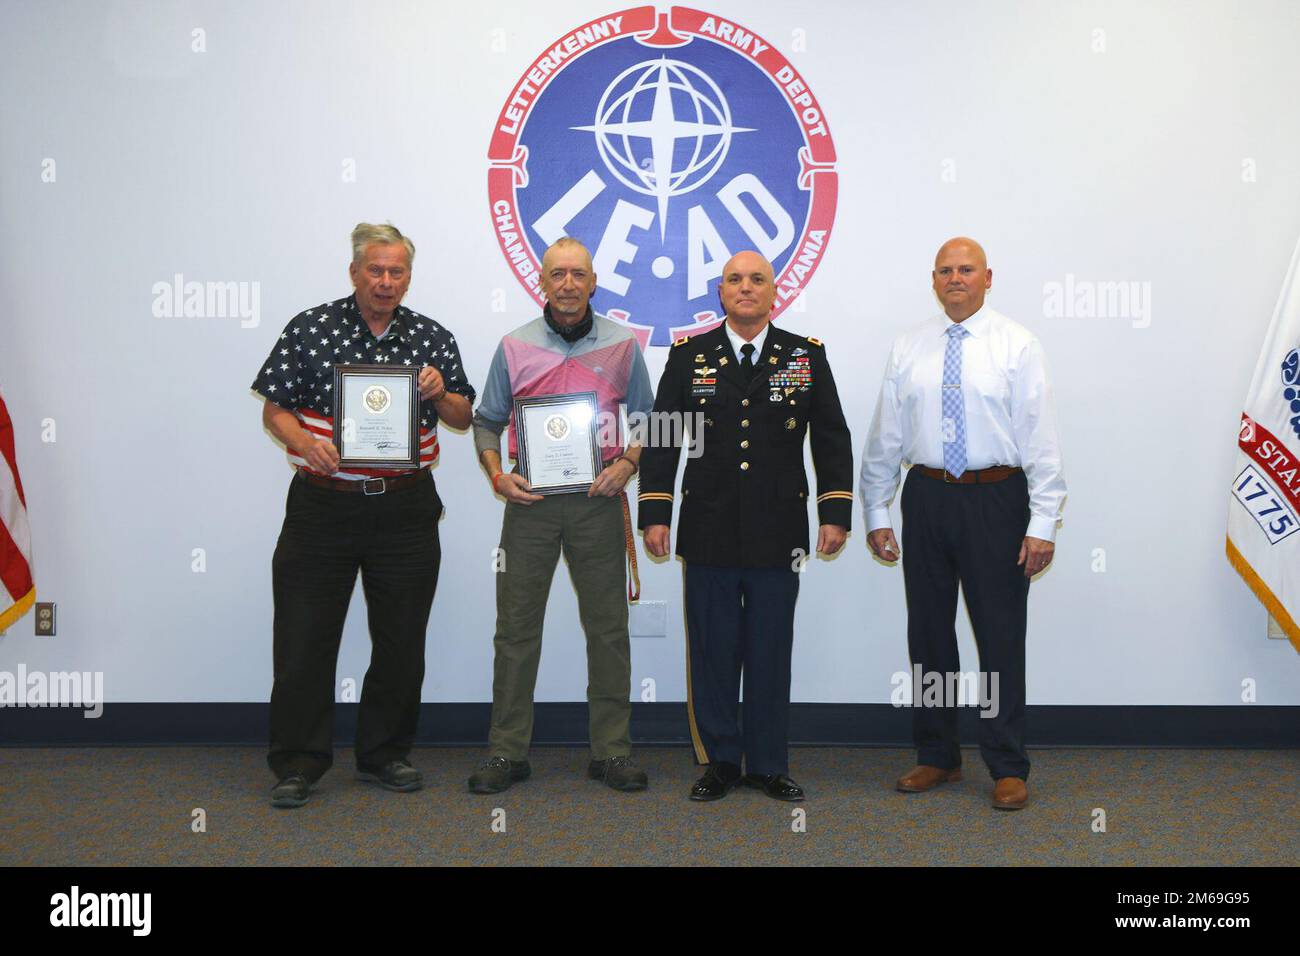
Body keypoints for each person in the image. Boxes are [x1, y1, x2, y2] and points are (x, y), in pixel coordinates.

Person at [252, 222, 474, 809]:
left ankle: (385, 754)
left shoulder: (431, 337)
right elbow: (275, 411)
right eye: (374, 269)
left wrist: (438, 390)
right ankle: (298, 762)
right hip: (322, 506)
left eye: (396, 271)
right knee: (303, 639)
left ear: (408, 276)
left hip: (404, 508)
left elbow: (461, 416)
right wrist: (302, 442)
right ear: (354, 272)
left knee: (401, 639)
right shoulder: (310, 327)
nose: (384, 280)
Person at [639, 250, 854, 802]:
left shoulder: (805, 356)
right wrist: (656, 512)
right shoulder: (690, 355)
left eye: (757, 279)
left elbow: (831, 437)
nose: (746, 288)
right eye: (735, 279)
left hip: (778, 531)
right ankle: (720, 762)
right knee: (712, 649)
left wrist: (834, 512)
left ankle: (767, 763)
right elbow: (662, 438)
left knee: (769, 648)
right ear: (721, 292)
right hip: (708, 526)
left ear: (773, 291)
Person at [859, 237, 1066, 810]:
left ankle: (1005, 763)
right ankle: (937, 756)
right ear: (934, 280)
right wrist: (877, 510)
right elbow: (886, 436)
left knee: (999, 636)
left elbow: (1041, 438)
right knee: (929, 636)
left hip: (996, 500)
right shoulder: (909, 346)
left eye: (966, 269)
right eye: (946, 270)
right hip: (925, 496)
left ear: (987, 277)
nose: (956, 278)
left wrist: (1043, 520)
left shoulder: (1018, 345)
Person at [468, 237, 654, 794]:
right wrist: (498, 475)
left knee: (608, 629)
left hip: (598, 501)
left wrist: (627, 463)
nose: (568, 284)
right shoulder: (514, 345)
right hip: (531, 506)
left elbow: (647, 417)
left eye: (578, 274)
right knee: (516, 630)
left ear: (593, 282)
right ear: (542, 282)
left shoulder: (623, 345)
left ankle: (612, 752)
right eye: (558, 274)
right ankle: (506, 753)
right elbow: (485, 421)